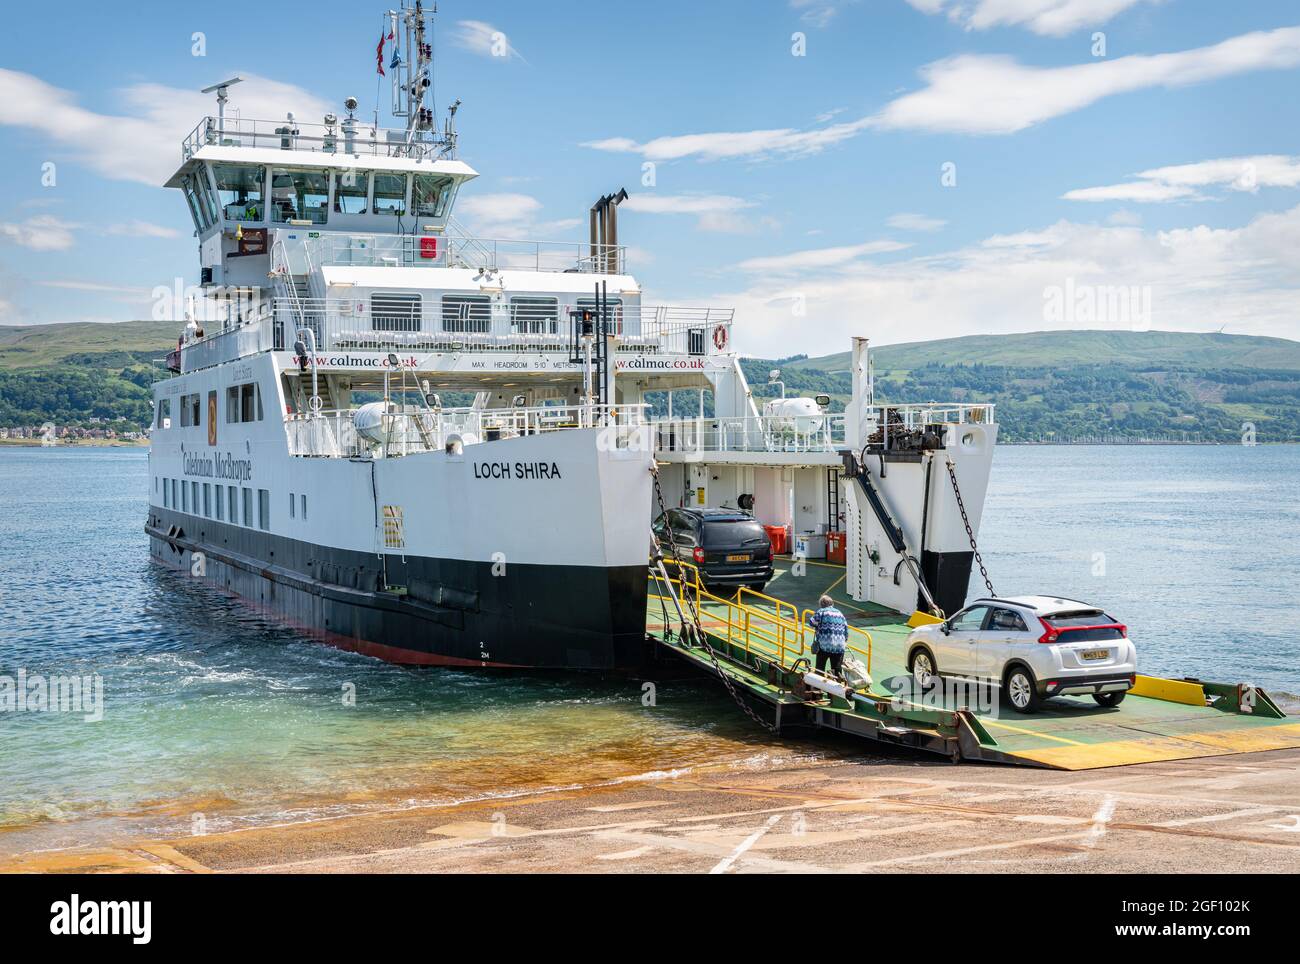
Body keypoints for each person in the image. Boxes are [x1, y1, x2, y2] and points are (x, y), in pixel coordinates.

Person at [808, 594, 848, 678]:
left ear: (821, 604)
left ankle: (818, 686)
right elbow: (846, 632)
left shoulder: (821, 612)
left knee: (820, 668)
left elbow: (811, 623)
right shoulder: (840, 613)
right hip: (839, 646)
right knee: (837, 669)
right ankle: (838, 686)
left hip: (824, 645)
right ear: (832, 604)